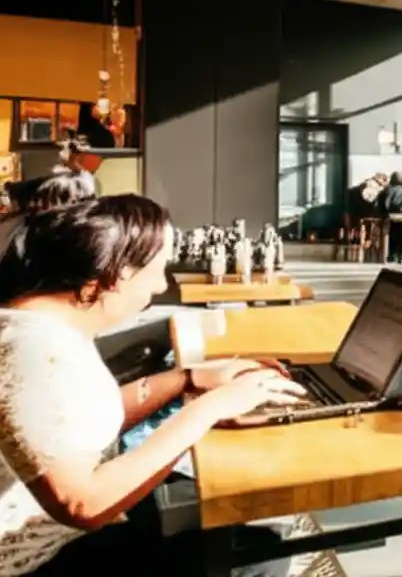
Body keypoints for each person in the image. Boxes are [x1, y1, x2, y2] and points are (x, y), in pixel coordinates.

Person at [0, 196, 305, 576]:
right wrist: (207, 410)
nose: (161, 286)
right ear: (119, 274)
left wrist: (189, 378)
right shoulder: (36, 354)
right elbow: (84, 504)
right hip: (42, 559)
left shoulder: (34, 329)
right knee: (258, 553)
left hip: (63, 537)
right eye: (157, 271)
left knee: (205, 507)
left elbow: (78, 425)